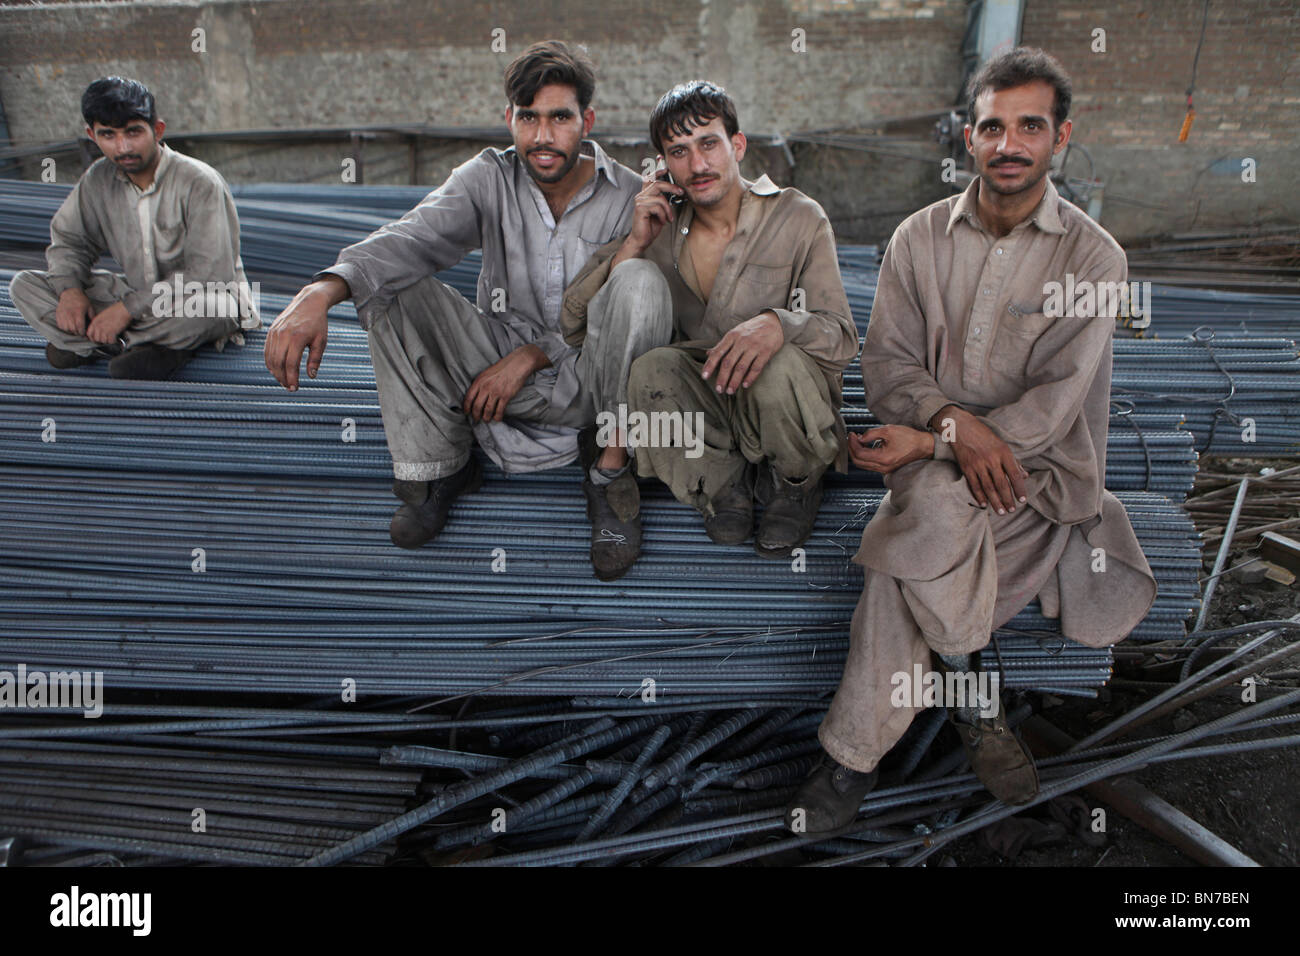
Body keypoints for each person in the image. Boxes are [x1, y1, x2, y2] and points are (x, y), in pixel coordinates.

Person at [788, 48, 1158, 833]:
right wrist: (952, 429)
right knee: (930, 504)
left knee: (906, 547)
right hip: (940, 469)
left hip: (1039, 480)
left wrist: (935, 445)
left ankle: (849, 759)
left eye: (1031, 126)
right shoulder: (918, 239)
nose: (1009, 143)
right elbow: (886, 365)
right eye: (993, 126)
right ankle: (974, 695)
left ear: (1062, 135)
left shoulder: (1094, 257)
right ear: (968, 137)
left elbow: (1056, 406)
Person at [264, 41, 667, 581]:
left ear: (586, 120)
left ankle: (610, 479)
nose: (543, 137)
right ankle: (441, 469)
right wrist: (324, 290)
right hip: (491, 374)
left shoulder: (629, 197)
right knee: (390, 285)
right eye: (529, 118)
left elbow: (628, 322)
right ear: (509, 120)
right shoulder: (488, 178)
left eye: (559, 118)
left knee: (640, 280)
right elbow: (413, 239)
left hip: (592, 381)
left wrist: (532, 356)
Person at [563, 81, 857, 561]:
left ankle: (793, 482)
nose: (697, 165)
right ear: (663, 165)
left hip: (779, 407)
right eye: (679, 151)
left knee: (777, 364)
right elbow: (575, 323)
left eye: (708, 144)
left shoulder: (799, 217)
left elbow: (842, 336)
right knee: (652, 368)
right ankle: (721, 483)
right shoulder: (657, 226)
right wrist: (634, 245)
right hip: (704, 418)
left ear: (736, 145)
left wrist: (779, 324)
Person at [10, 76, 258, 380]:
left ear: (158, 130)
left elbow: (209, 274)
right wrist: (71, 291)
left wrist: (126, 310)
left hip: (197, 297)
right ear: (92, 135)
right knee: (26, 285)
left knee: (213, 308)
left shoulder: (198, 181)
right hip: (137, 293)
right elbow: (71, 242)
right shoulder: (98, 179)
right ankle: (144, 346)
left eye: (133, 132)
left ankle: (104, 342)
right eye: (108, 135)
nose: (123, 146)